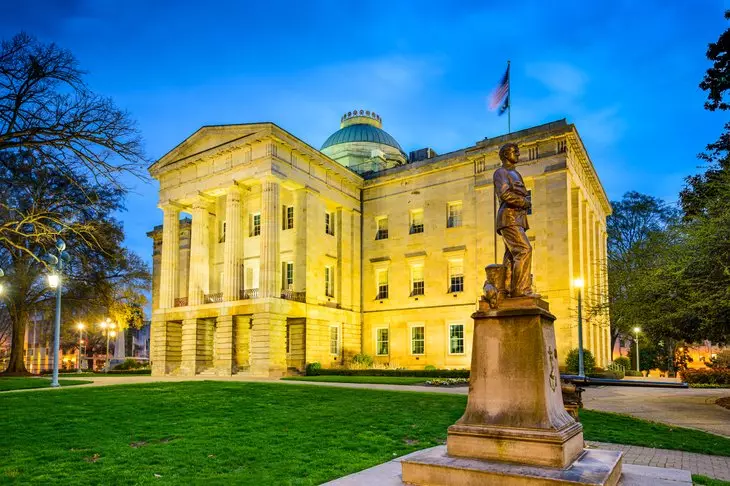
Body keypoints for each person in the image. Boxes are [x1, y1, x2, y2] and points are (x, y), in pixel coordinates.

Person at [493, 142, 536, 297]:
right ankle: (521, 290)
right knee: (524, 250)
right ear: (505, 154)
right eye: (515, 151)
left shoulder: (516, 173)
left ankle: (507, 289)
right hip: (508, 217)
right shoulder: (501, 172)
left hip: (518, 218)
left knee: (511, 256)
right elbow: (504, 194)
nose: (518, 154)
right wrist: (524, 202)